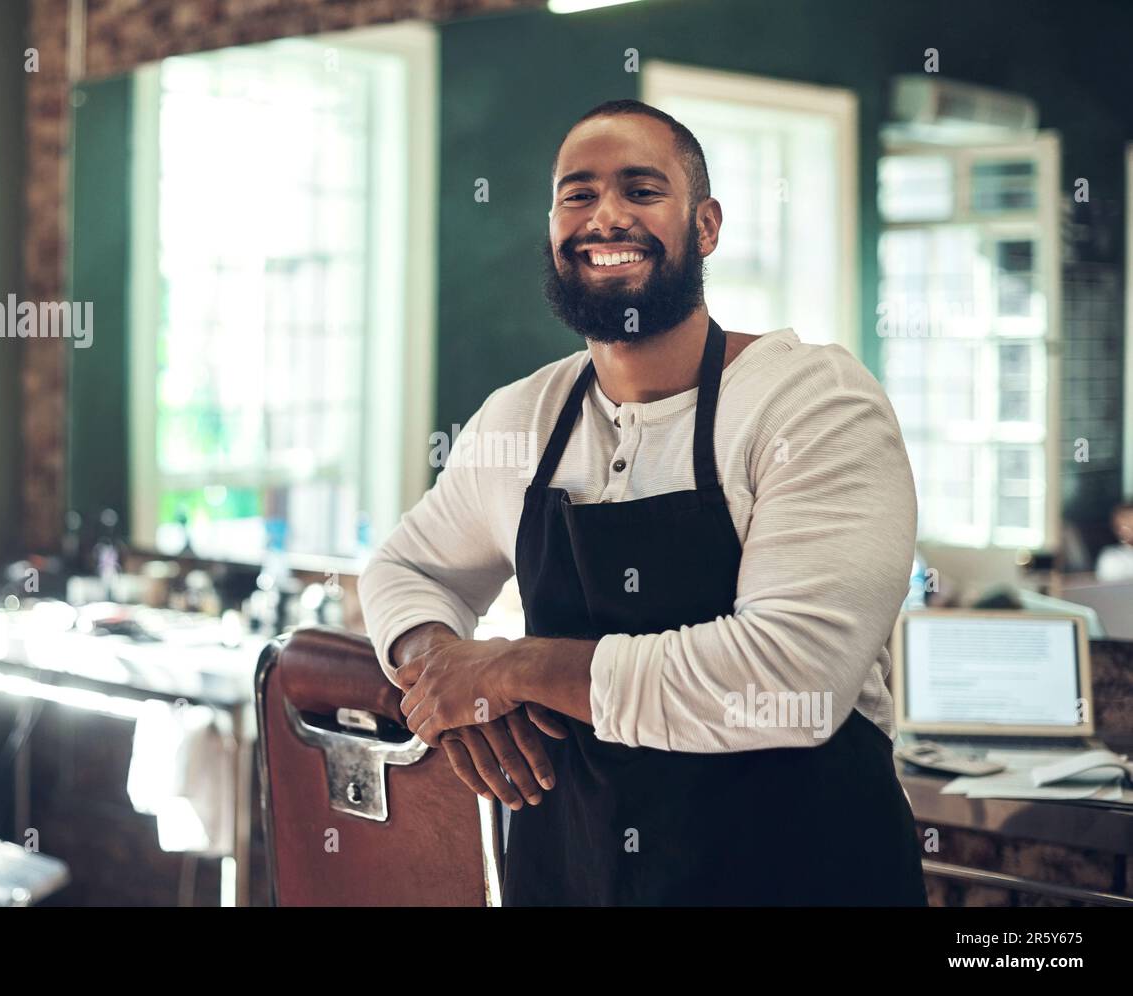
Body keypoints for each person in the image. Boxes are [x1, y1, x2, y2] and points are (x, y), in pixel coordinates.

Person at [358, 99, 928, 906]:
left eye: (642, 189)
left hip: (796, 870)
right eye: (578, 194)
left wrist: (515, 667)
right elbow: (406, 567)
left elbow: (788, 677)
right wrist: (443, 676)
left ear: (706, 226)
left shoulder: (810, 403)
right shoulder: (524, 418)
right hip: (574, 872)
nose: (606, 217)